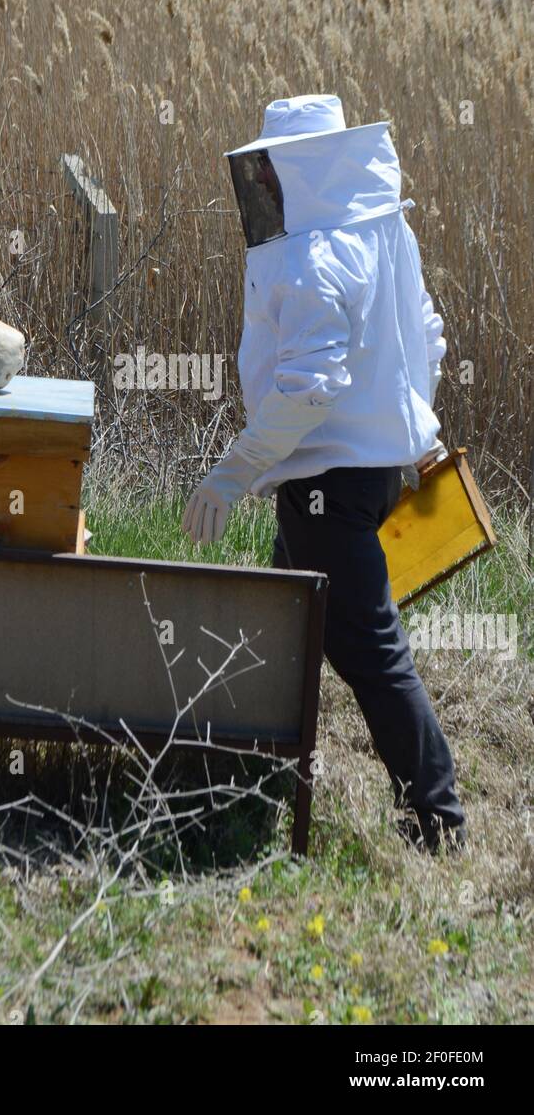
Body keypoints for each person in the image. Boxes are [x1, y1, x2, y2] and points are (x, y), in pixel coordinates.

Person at [182, 95, 466, 854]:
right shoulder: (384, 235)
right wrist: (403, 438)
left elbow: (308, 388)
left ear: (295, 169)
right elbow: (428, 340)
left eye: (269, 169)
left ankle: (437, 823)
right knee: (288, 627)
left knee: (369, 652)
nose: (260, 184)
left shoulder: (311, 257)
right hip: (366, 475)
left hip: (325, 489)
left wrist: (233, 472)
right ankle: (256, 773)